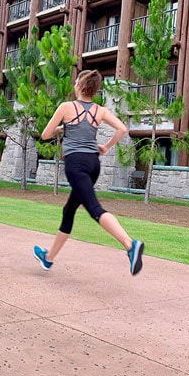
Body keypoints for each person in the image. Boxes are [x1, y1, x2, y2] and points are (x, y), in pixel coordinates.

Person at [32, 69, 145, 275]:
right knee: (69, 210)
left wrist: (61, 129)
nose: (74, 85)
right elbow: (121, 128)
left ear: (80, 86)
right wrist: (106, 147)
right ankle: (48, 259)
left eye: (76, 82)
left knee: (94, 208)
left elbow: (45, 134)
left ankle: (131, 245)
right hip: (93, 164)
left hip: (75, 164)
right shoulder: (99, 110)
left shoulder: (66, 107)